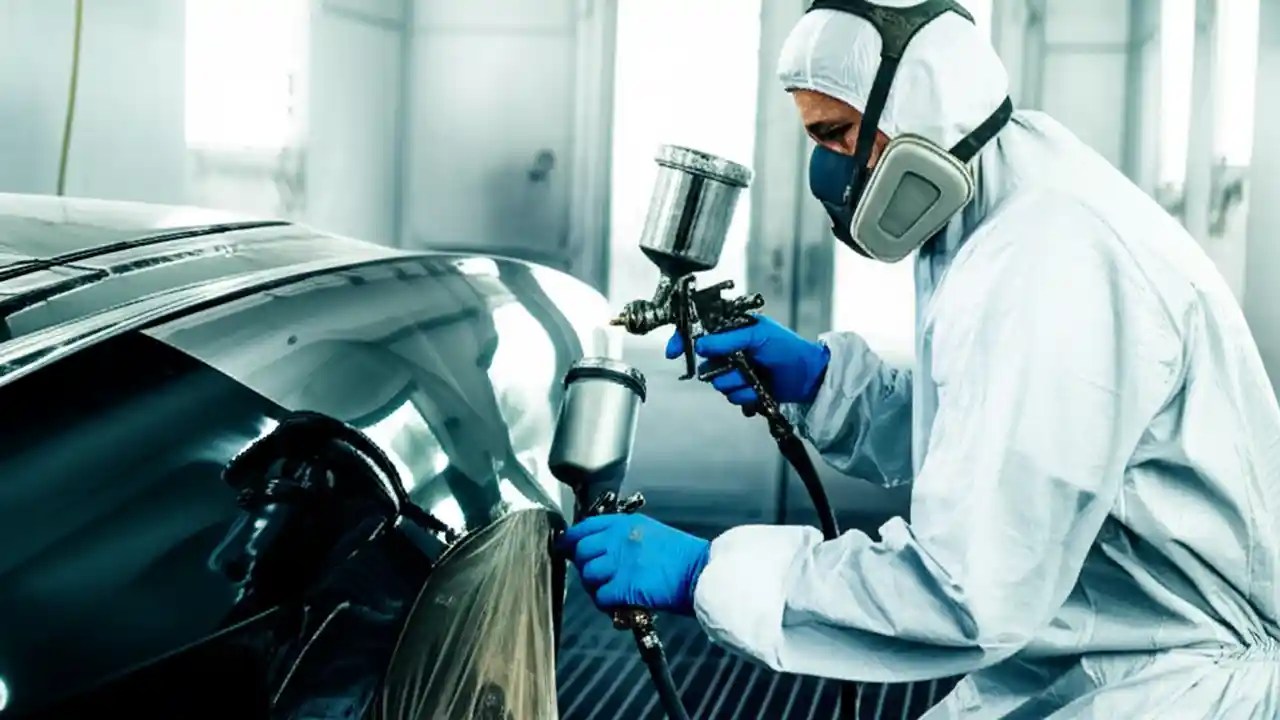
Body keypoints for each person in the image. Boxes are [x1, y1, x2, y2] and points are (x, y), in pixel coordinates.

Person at [558, 1, 1280, 717]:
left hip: (1184, 680)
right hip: (1102, 643)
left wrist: (705, 574)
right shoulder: (1000, 195)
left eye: (836, 134)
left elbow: (965, 587)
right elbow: (992, 434)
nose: (826, 171)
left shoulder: (1050, 257)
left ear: (921, 112)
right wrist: (824, 382)